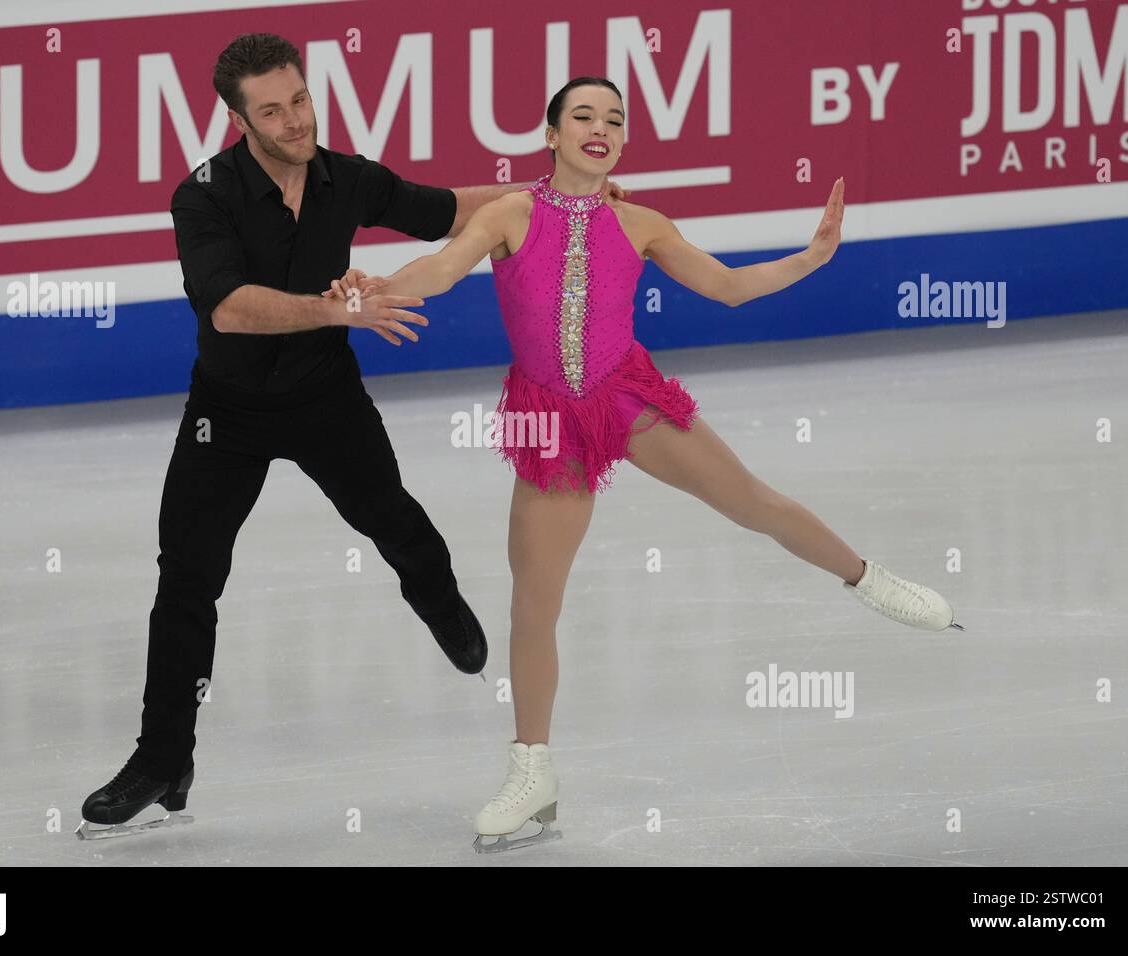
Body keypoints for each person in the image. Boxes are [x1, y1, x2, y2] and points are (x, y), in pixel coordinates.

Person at [323, 76, 964, 853]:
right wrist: (375, 288)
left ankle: (868, 577)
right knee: (535, 601)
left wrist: (811, 257)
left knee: (753, 502)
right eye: (583, 117)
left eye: (615, 120)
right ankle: (534, 770)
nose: (601, 129)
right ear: (551, 134)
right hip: (550, 419)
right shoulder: (508, 214)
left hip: (627, 395)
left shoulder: (643, 222)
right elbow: (445, 266)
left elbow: (726, 288)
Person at [75, 35, 615, 839]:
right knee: (186, 579)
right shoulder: (205, 196)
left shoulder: (344, 177)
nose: (294, 120)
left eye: (299, 99)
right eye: (271, 109)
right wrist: (336, 309)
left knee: (393, 519)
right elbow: (225, 306)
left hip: (326, 398)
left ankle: (436, 596)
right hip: (227, 411)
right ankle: (162, 760)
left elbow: (448, 208)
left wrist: (559, 190)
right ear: (237, 117)